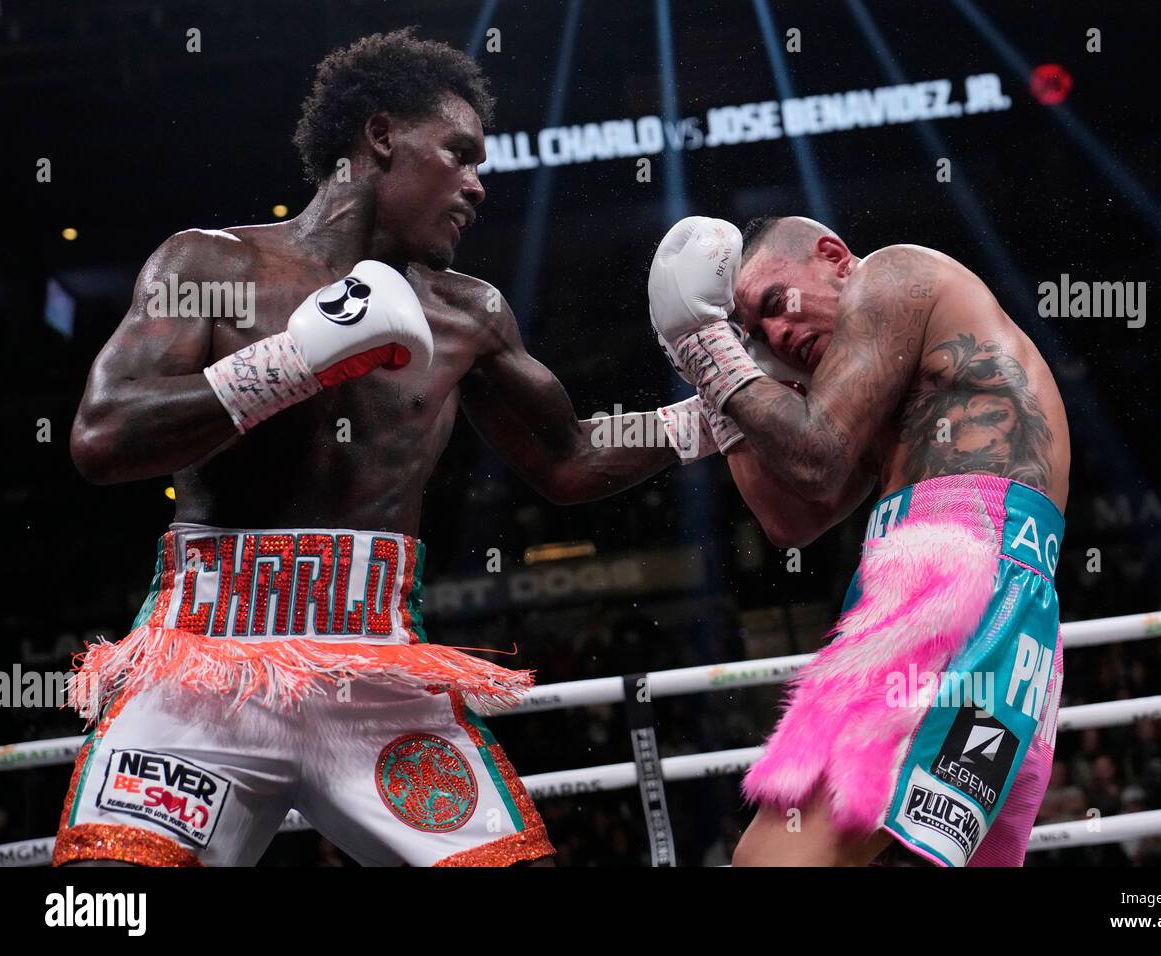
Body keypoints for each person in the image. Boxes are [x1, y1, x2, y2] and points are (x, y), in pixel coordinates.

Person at [54, 29, 690, 868]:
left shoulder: (470, 312)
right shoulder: (212, 261)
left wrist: (709, 416)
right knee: (101, 902)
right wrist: (295, 360)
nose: (478, 183)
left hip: (379, 674)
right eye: (458, 153)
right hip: (204, 669)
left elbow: (567, 460)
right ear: (381, 137)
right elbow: (102, 439)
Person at [646, 215, 1071, 866]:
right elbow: (790, 519)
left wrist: (707, 341)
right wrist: (713, 379)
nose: (776, 336)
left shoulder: (894, 273)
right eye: (755, 336)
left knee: (773, 859)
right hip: (1007, 614)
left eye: (773, 305)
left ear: (833, 257)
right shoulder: (881, 400)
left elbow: (815, 455)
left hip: (946, 585)